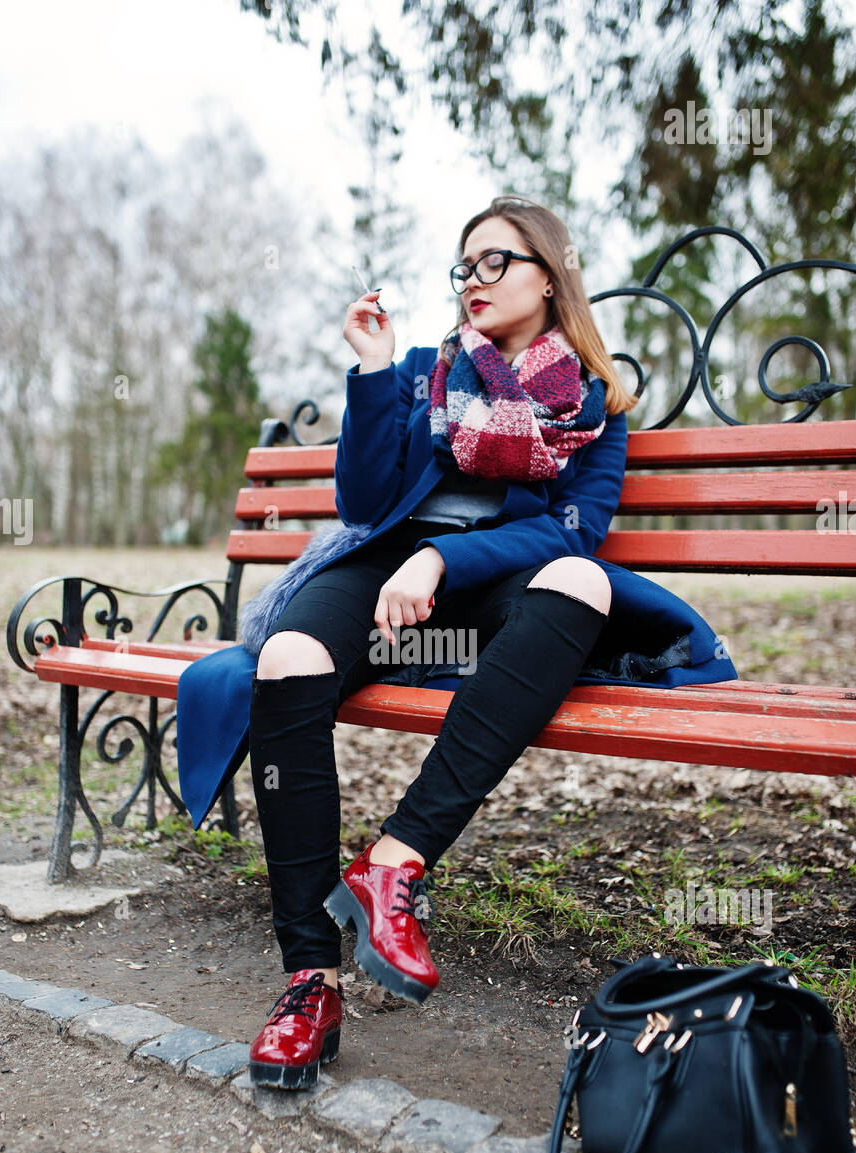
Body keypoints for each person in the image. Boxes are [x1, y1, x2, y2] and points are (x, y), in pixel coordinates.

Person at [174, 195, 737, 1092]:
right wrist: (368, 371)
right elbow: (362, 504)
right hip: (384, 576)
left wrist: (446, 554)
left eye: (494, 263)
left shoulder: (594, 406)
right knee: (284, 658)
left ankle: (391, 865)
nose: (472, 282)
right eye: (462, 266)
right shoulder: (419, 376)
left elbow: (572, 532)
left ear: (547, 278)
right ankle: (309, 981)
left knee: (581, 581)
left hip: (487, 595)